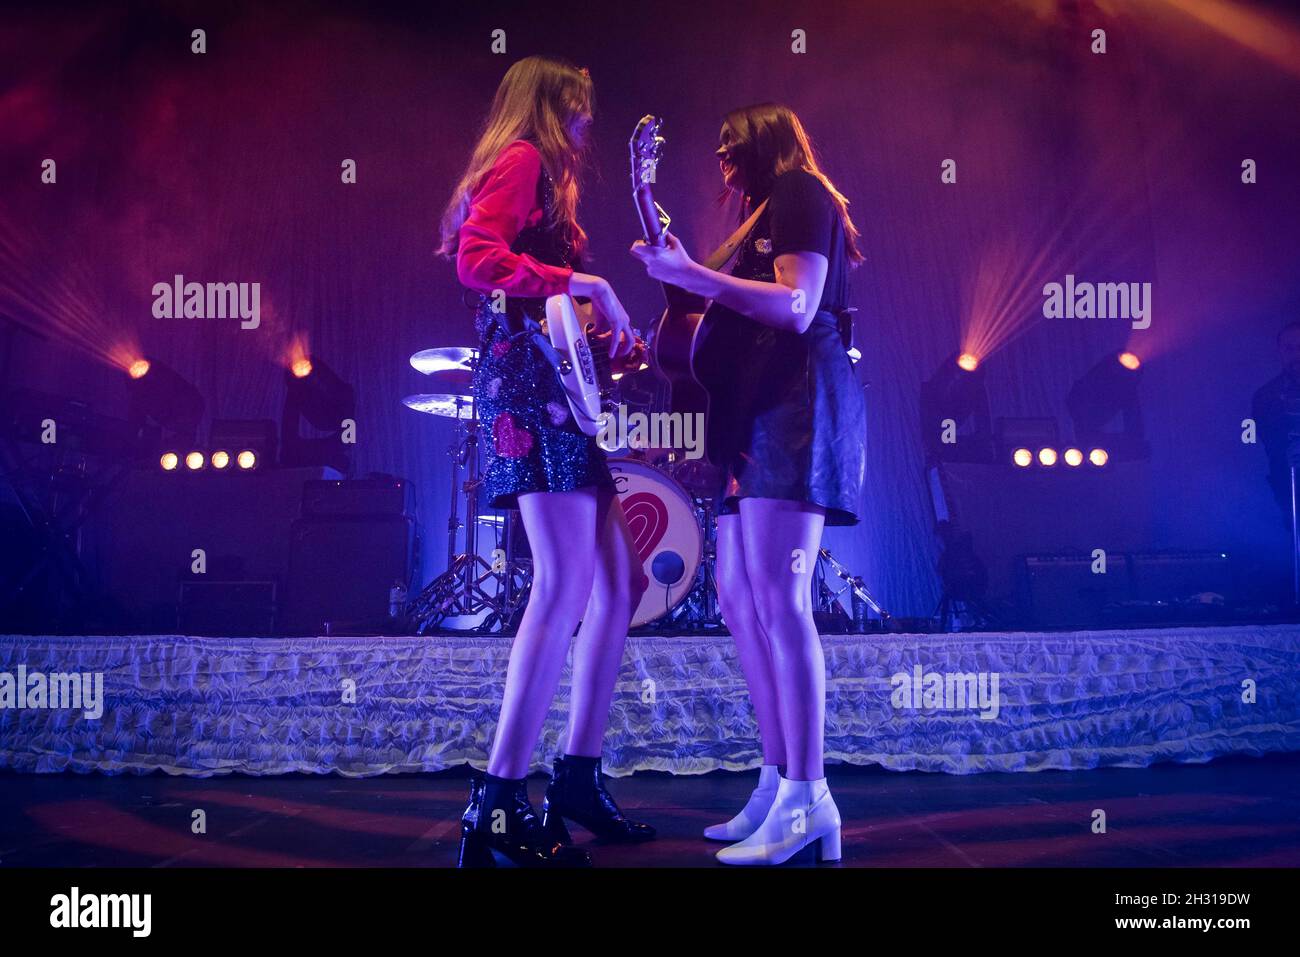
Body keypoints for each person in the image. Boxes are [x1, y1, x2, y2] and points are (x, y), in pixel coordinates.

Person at [631, 103, 866, 865]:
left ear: (767, 142)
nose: (722, 158)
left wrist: (692, 274)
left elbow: (798, 307)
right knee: (738, 598)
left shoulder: (801, 192)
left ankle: (810, 793)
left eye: (732, 145)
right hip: (758, 412)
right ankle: (775, 781)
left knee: (780, 600)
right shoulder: (763, 212)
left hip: (798, 405)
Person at [440, 55, 654, 867]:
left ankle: (577, 777)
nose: (588, 121)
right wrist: (586, 283)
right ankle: (496, 805)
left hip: (550, 383)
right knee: (564, 584)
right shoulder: (523, 157)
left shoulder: (536, 173)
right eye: (579, 105)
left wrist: (598, 330)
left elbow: (536, 292)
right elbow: (477, 258)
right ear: (551, 104)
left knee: (622, 583)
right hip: (533, 389)